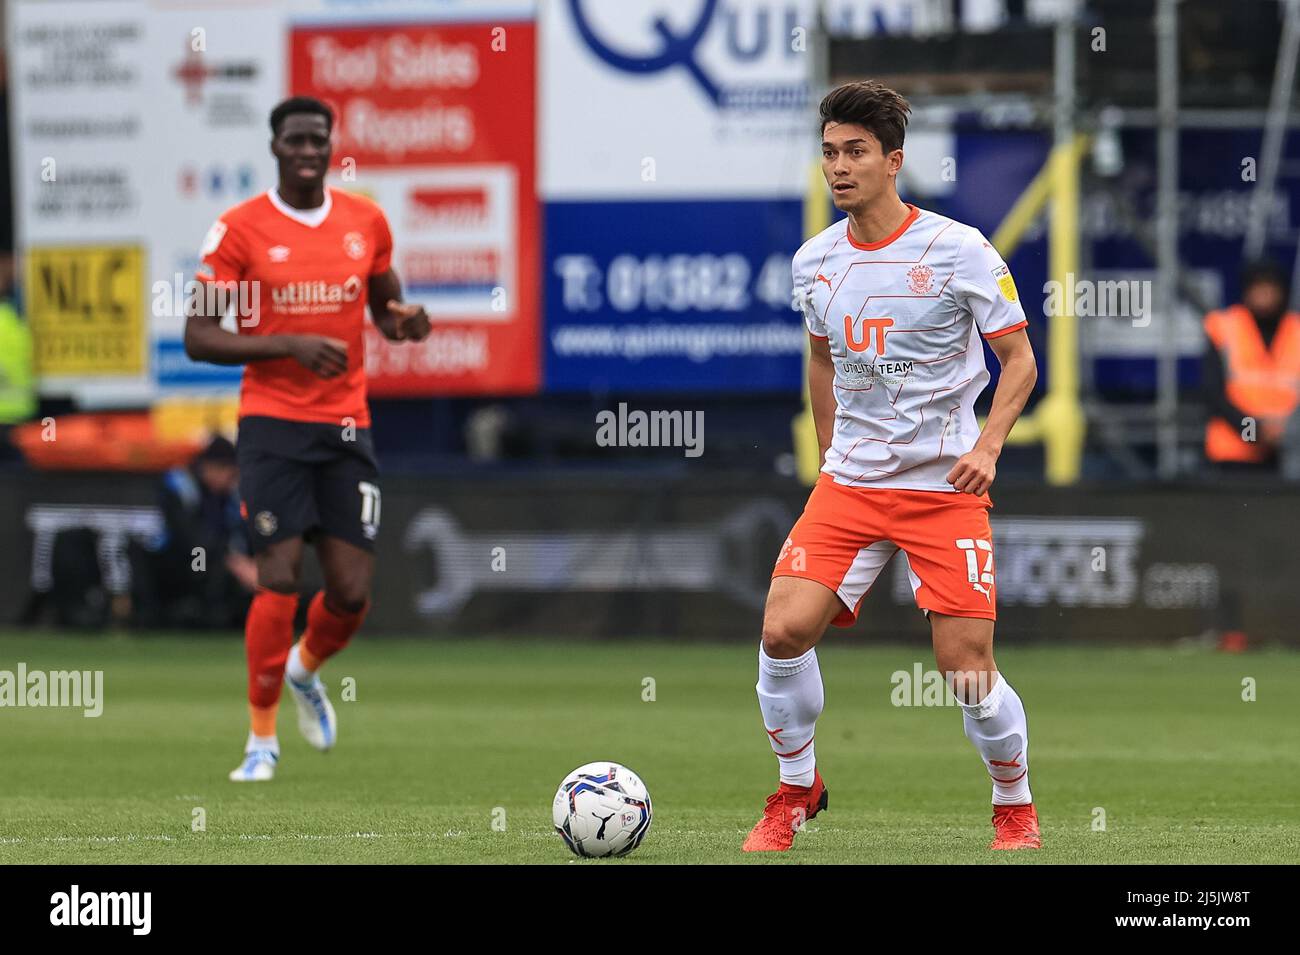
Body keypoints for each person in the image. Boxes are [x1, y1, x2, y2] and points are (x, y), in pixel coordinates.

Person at [744, 81, 1041, 852]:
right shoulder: (815, 263)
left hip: (944, 486)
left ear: (892, 161)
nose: (838, 168)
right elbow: (820, 358)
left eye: (855, 153)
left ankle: (1014, 803)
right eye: (829, 154)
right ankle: (795, 786)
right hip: (850, 485)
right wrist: (827, 455)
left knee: (966, 671)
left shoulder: (958, 249)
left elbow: (1019, 363)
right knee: (782, 631)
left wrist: (986, 448)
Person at [185, 96, 431, 782]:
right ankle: (260, 740)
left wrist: (406, 322)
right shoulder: (238, 230)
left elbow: (387, 307)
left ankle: (305, 669)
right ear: (274, 147)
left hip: (347, 424)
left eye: (317, 138)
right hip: (271, 424)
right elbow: (197, 335)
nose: (307, 149)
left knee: (351, 592)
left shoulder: (365, 220)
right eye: (294, 138)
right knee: (280, 575)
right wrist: (284, 342)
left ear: (330, 146)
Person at [133, 436, 256, 629]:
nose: (232, 481)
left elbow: (237, 530)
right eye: (229, 474)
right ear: (211, 467)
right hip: (174, 557)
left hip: (212, 555)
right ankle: (195, 604)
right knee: (202, 560)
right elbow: (189, 535)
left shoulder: (227, 495)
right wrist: (233, 561)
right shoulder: (179, 485)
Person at [1202, 259, 1300, 474]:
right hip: (1233, 455)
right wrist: (1254, 432)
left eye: (1270, 287)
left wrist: (1286, 434)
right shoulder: (1225, 326)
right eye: (1258, 287)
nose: (1264, 294)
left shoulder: (1296, 330)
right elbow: (1214, 394)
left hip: (1288, 453)